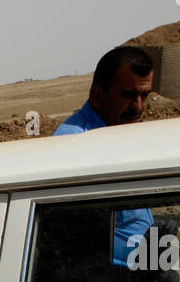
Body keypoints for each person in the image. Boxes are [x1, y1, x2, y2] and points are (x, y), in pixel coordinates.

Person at [55, 46, 156, 268]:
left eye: (144, 95)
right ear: (98, 95)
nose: (138, 106)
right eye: (128, 95)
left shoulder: (119, 131)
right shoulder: (75, 145)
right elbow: (74, 240)